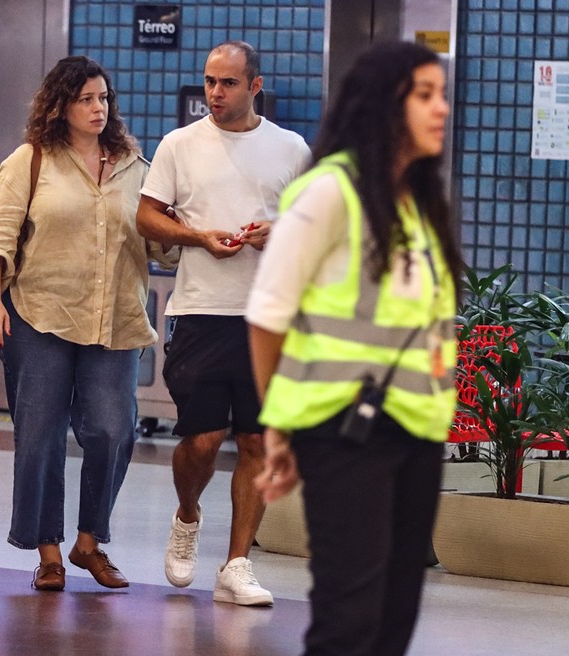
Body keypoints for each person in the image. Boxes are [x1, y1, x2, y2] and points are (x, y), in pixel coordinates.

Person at [246, 41, 462, 655]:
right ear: (384, 104)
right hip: (344, 428)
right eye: (425, 95)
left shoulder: (419, 202)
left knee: (395, 621)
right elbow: (267, 314)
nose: (441, 109)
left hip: (416, 429)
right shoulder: (329, 192)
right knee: (349, 622)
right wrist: (280, 427)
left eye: (442, 94)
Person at [0, 55, 160, 592]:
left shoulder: (134, 165)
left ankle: (88, 541)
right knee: (40, 437)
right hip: (39, 315)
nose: (98, 108)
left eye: (103, 98)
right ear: (60, 105)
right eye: (86, 99)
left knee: (112, 430)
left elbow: (157, 242)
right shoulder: (30, 160)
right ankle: (49, 553)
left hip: (115, 317)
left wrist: (193, 235)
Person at [136, 40, 311, 606]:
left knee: (257, 439)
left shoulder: (291, 148)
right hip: (200, 312)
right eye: (210, 81)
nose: (215, 92)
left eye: (229, 83)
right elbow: (146, 217)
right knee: (203, 439)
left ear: (255, 86)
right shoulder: (179, 145)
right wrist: (198, 237)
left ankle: (237, 564)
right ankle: (188, 514)